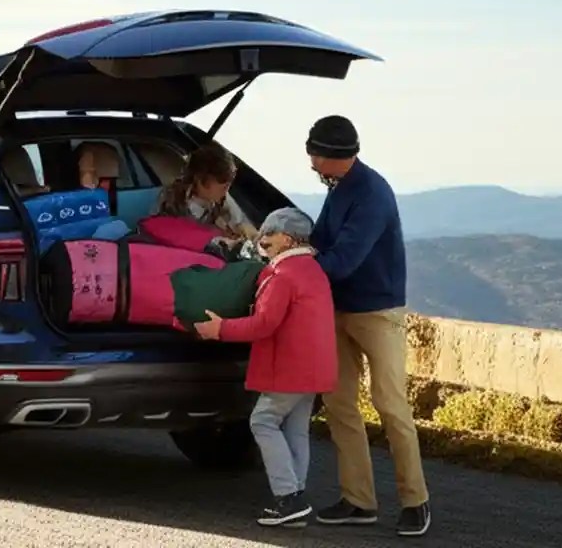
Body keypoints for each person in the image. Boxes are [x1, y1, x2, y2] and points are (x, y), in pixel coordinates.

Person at [305, 115, 431, 537]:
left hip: (377, 312)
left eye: (316, 155)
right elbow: (321, 239)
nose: (311, 163)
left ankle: (416, 501)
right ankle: (359, 501)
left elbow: (343, 260)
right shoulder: (337, 189)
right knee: (339, 404)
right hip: (337, 310)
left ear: (337, 157)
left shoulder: (373, 193)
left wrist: (295, 272)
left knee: (391, 406)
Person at [194, 207, 336, 528]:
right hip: (314, 370)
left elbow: (263, 324)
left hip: (289, 368)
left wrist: (220, 329)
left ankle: (288, 498)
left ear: (286, 239)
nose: (262, 241)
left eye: (267, 235)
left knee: (263, 421)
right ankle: (296, 498)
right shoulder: (313, 270)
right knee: (296, 430)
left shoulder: (282, 276)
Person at [153, 142, 256, 242]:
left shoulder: (218, 197)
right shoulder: (172, 205)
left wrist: (241, 227)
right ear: (202, 181)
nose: (226, 191)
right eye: (224, 187)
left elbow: (240, 221)